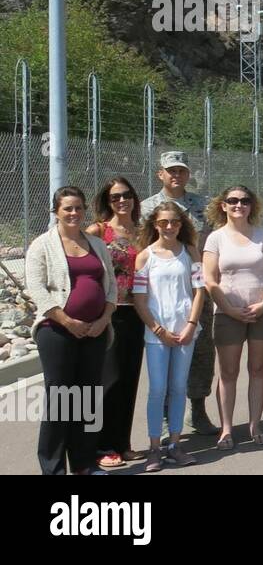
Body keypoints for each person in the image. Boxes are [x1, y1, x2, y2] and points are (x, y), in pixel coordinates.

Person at [27, 187, 116, 475]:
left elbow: (111, 284)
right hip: (57, 331)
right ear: (56, 211)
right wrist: (67, 321)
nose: (74, 213)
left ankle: (84, 464)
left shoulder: (96, 244)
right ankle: (53, 468)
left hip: (95, 330)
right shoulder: (42, 245)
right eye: (67, 208)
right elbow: (37, 289)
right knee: (62, 398)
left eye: (78, 207)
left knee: (88, 398)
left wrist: (105, 317)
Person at [139, 151, 216, 435]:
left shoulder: (203, 206)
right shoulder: (147, 207)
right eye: (171, 170)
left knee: (202, 353)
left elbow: (212, 243)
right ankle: (162, 417)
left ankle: (197, 410)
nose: (176, 175)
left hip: (196, 288)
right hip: (161, 291)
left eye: (181, 170)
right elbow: (142, 246)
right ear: (160, 173)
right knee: (162, 357)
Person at [203, 186, 263, 449]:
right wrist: (229, 308)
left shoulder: (262, 236)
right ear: (223, 205)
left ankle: (255, 425)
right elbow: (210, 280)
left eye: (245, 200)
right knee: (228, 373)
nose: (239, 205)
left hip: (261, 313)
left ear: (251, 205)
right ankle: (226, 429)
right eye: (233, 201)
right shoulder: (216, 238)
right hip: (227, 314)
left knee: (258, 370)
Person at [131, 202, 204, 471]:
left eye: (174, 222)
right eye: (163, 222)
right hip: (156, 335)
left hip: (186, 332)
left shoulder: (191, 253)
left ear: (181, 224)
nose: (169, 227)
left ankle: (174, 444)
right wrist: (159, 330)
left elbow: (199, 292)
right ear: (155, 225)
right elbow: (139, 299)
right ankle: (154, 448)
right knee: (157, 390)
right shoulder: (144, 256)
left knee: (178, 388)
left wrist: (190, 325)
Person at [85, 177, 144, 469]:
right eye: (115, 197)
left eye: (126, 195)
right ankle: (101, 446)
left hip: (139, 312)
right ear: (107, 202)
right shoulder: (98, 231)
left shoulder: (143, 231)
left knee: (130, 379)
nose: (122, 200)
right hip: (109, 312)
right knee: (109, 380)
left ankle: (123, 443)